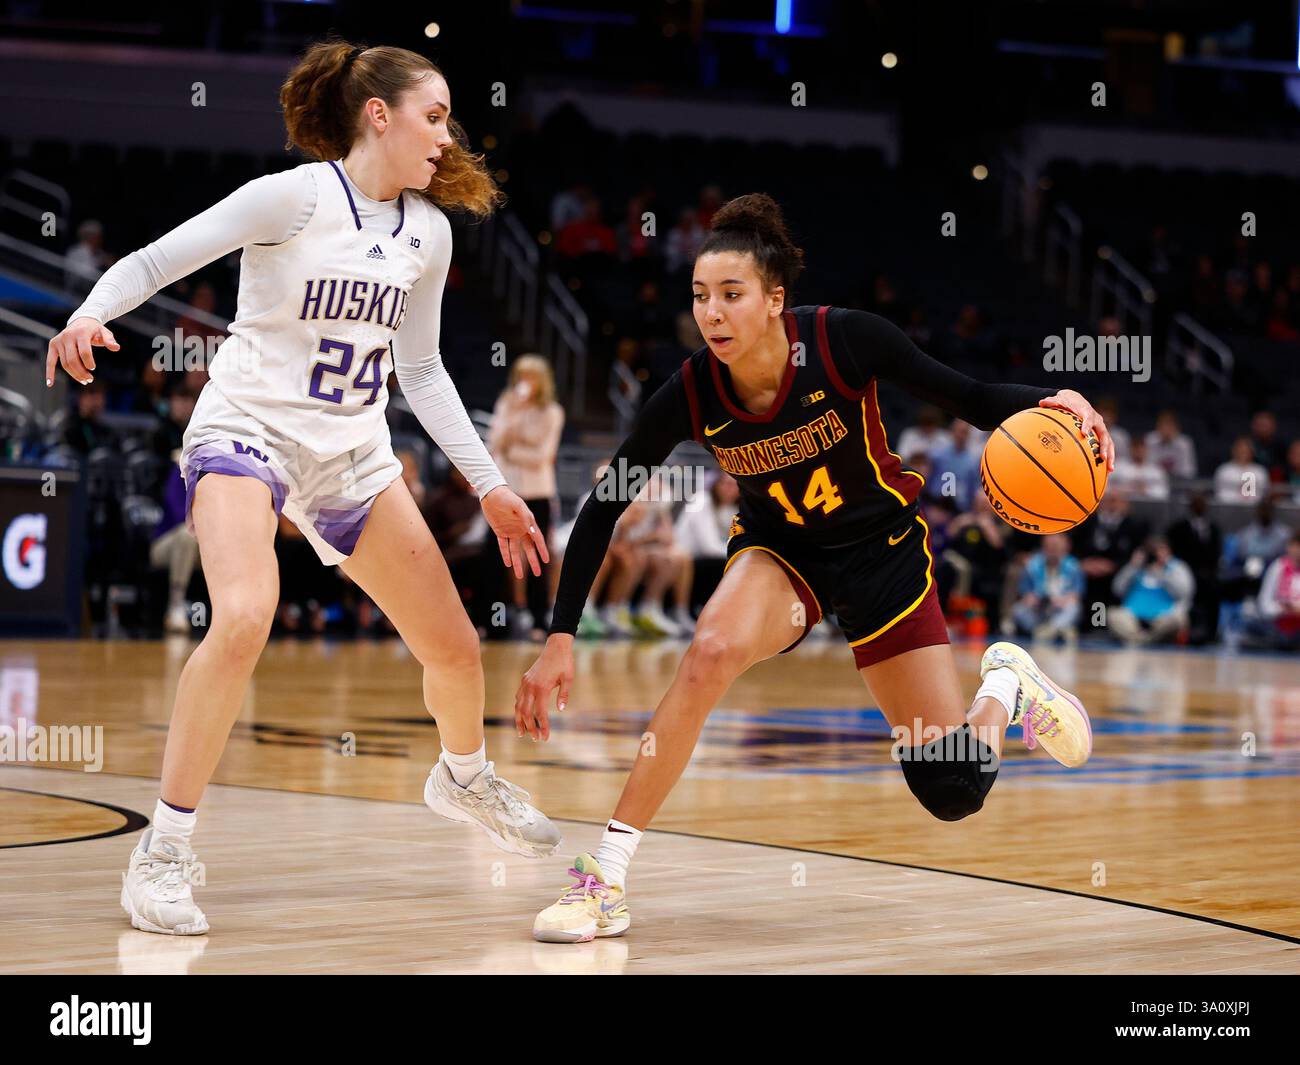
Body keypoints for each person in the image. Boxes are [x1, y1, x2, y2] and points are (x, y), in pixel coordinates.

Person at [45, 40, 560, 937]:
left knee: (456, 649)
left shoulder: (428, 233)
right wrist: (91, 311)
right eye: (434, 116)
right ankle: (162, 852)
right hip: (247, 429)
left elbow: (426, 368)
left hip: (352, 453)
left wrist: (490, 485)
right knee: (244, 614)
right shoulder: (294, 196)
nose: (447, 136)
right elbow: (156, 261)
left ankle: (465, 778)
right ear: (378, 115)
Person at [513, 193, 1115, 943]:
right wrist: (560, 635)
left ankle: (1005, 686)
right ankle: (604, 877)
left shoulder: (843, 342)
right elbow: (604, 503)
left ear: (774, 300)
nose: (713, 314)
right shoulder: (694, 391)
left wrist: (1057, 401)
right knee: (707, 653)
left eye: (732, 295)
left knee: (952, 787)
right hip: (782, 554)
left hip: (883, 555)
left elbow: (973, 397)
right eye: (701, 297)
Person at [489, 355, 564, 639]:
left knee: (537, 557)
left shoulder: (552, 412)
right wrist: (516, 416)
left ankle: (538, 619)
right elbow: (495, 442)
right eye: (521, 375)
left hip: (536, 492)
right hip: (505, 490)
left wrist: (512, 451)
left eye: (531, 376)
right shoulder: (507, 404)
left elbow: (542, 457)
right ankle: (493, 620)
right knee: (495, 555)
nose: (525, 382)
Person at [1107, 536, 1195, 646]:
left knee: (1177, 620)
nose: (1156, 555)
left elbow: (1185, 594)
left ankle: (1141, 641)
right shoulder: (1136, 567)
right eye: (1152, 551)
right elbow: (1117, 589)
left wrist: (1164, 572)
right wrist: (1133, 566)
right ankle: (1142, 640)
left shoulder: (1177, 568)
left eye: (1160, 550)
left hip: (1163, 616)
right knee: (1113, 615)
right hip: (1133, 615)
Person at [1009, 534, 1084, 644]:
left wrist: (1062, 600)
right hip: (1039, 609)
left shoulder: (1073, 566)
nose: (1052, 551)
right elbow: (1025, 592)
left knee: (1074, 608)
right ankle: (1051, 630)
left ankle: (1053, 629)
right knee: (1018, 610)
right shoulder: (1032, 565)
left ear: (1065, 547)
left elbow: (1076, 595)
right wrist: (1031, 598)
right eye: (1049, 547)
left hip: (1059, 608)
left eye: (1056, 547)